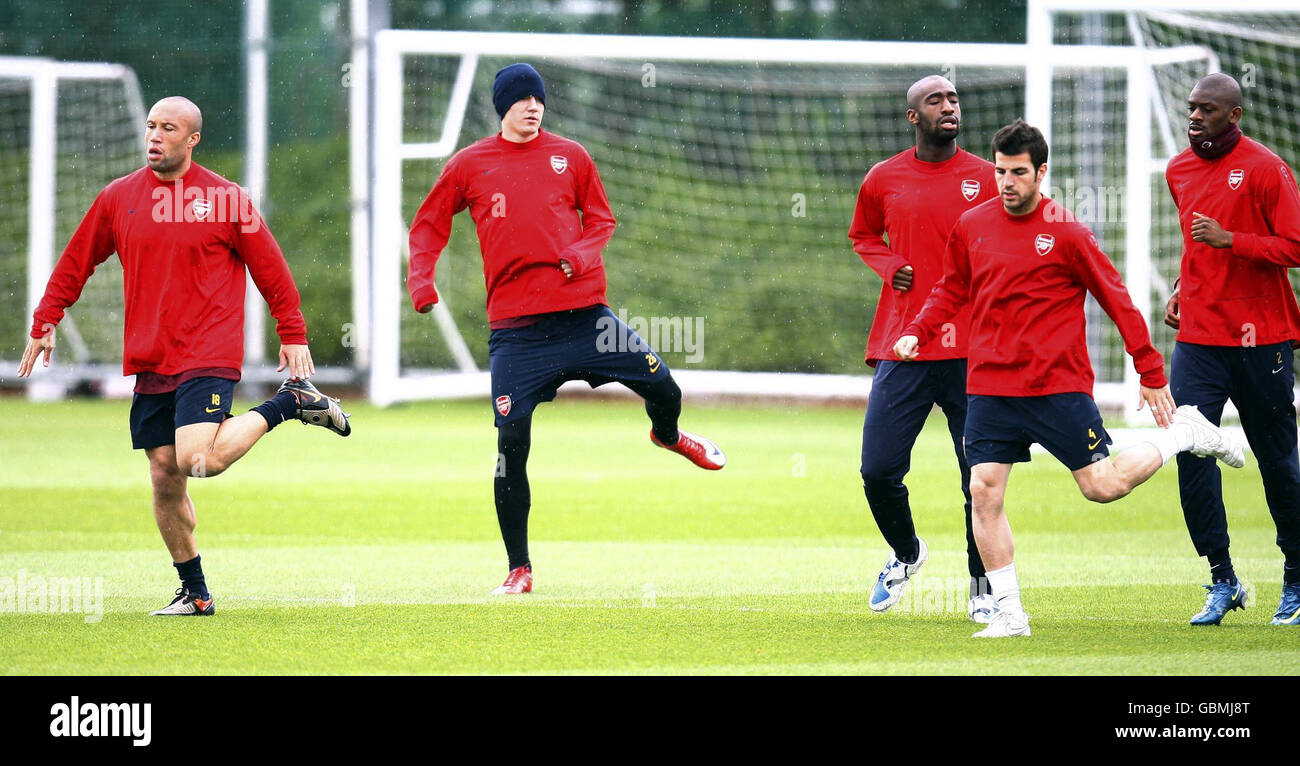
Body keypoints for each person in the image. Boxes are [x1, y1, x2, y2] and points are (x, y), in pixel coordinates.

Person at [894, 119, 1244, 638]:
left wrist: (1149, 369)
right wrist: (918, 331)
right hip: (989, 384)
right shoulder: (971, 225)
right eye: (999, 171)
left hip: (1056, 387)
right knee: (983, 490)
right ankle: (1010, 613)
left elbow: (1116, 299)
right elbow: (951, 289)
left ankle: (1185, 434)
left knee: (1102, 487)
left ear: (1041, 172)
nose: (1006, 182)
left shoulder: (1068, 232)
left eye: (1017, 172)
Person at [18, 96, 351, 617]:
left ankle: (287, 403)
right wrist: (46, 319)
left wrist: (293, 331)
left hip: (208, 351)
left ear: (191, 139)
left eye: (167, 128)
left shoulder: (225, 199)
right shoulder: (118, 197)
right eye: (150, 126)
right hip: (152, 357)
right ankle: (195, 593)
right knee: (164, 473)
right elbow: (76, 261)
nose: (154, 135)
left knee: (200, 459)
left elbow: (271, 268)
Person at [407, 63, 725, 596]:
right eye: (522, 99)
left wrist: (579, 254)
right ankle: (519, 568)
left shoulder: (570, 156)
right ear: (502, 107)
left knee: (665, 384)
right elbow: (429, 224)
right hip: (518, 333)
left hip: (586, 318)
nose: (533, 106)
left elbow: (602, 220)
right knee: (512, 443)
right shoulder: (470, 165)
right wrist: (422, 283)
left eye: (539, 98)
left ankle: (667, 435)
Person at [848, 75, 999, 623]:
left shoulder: (987, 177)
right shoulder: (883, 178)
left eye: (954, 98)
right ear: (914, 116)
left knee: (978, 478)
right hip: (904, 344)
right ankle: (906, 553)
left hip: (973, 352)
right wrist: (891, 267)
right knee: (878, 469)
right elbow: (863, 236)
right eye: (935, 100)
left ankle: (983, 586)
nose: (948, 106)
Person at [1163, 73, 1300, 626]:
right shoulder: (1178, 170)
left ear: (1234, 115)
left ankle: (1295, 575)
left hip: (1262, 338)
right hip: (1198, 339)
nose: (1195, 117)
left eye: (1207, 110)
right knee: (1191, 455)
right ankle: (1222, 578)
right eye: (1191, 109)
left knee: (1278, 460)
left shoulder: (1268, 169)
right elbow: (1193, 246)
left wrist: (1231, 240)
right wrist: (1181, 287)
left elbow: (1295, 245)